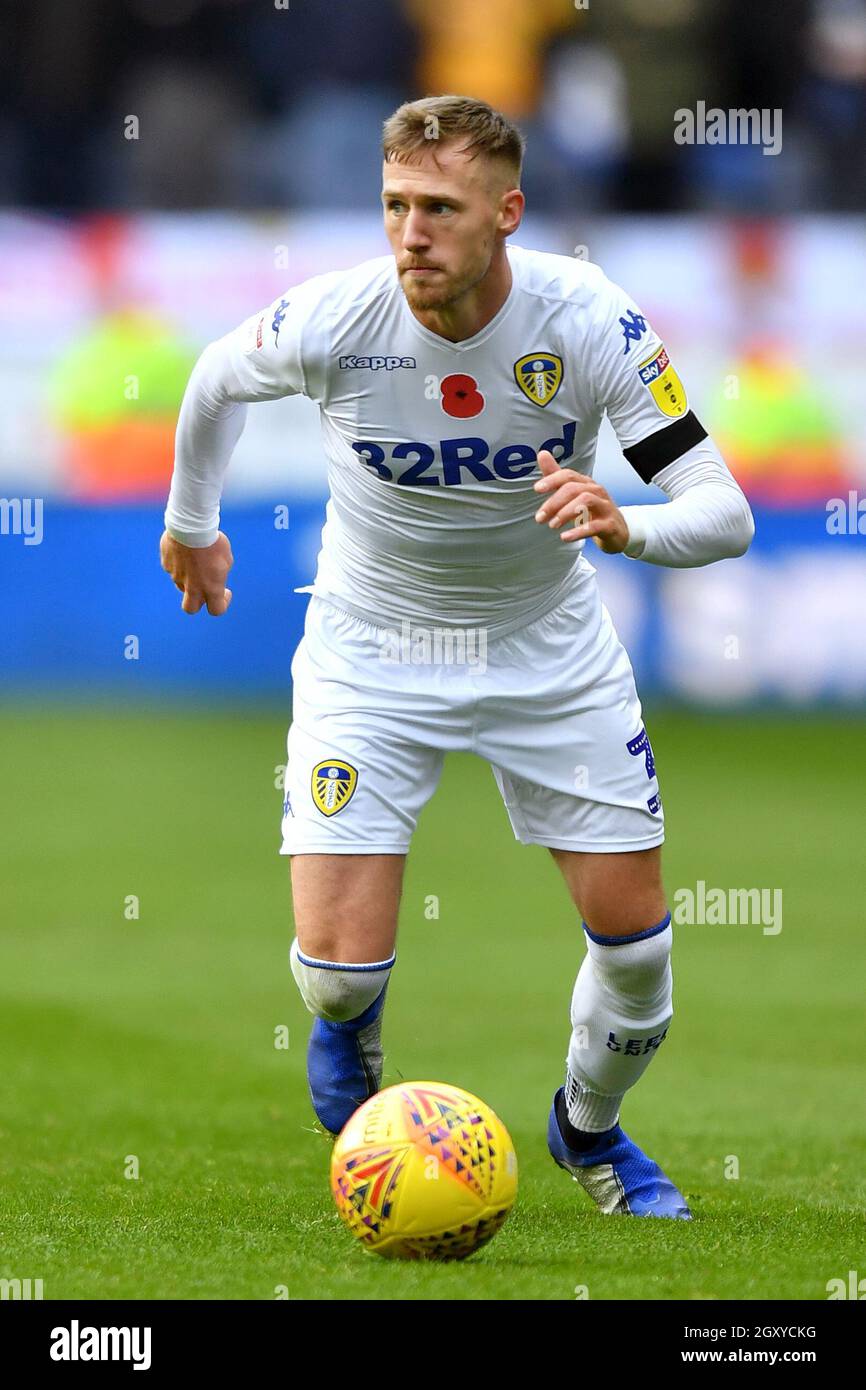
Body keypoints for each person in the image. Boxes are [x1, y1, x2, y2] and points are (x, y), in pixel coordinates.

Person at [161, 95, 754, 1220]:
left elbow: (721, 515)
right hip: (367, 653)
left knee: (636, 959)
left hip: (548, 655)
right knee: (336, 970)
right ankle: (350, 1024)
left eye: (438, 208)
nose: (409, 234)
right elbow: (212, 381)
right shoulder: (336, 317)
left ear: (507, 215)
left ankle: (587, 1131)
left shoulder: (586, 321)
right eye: (393, 206)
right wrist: (192, 522)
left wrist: (624, 523)